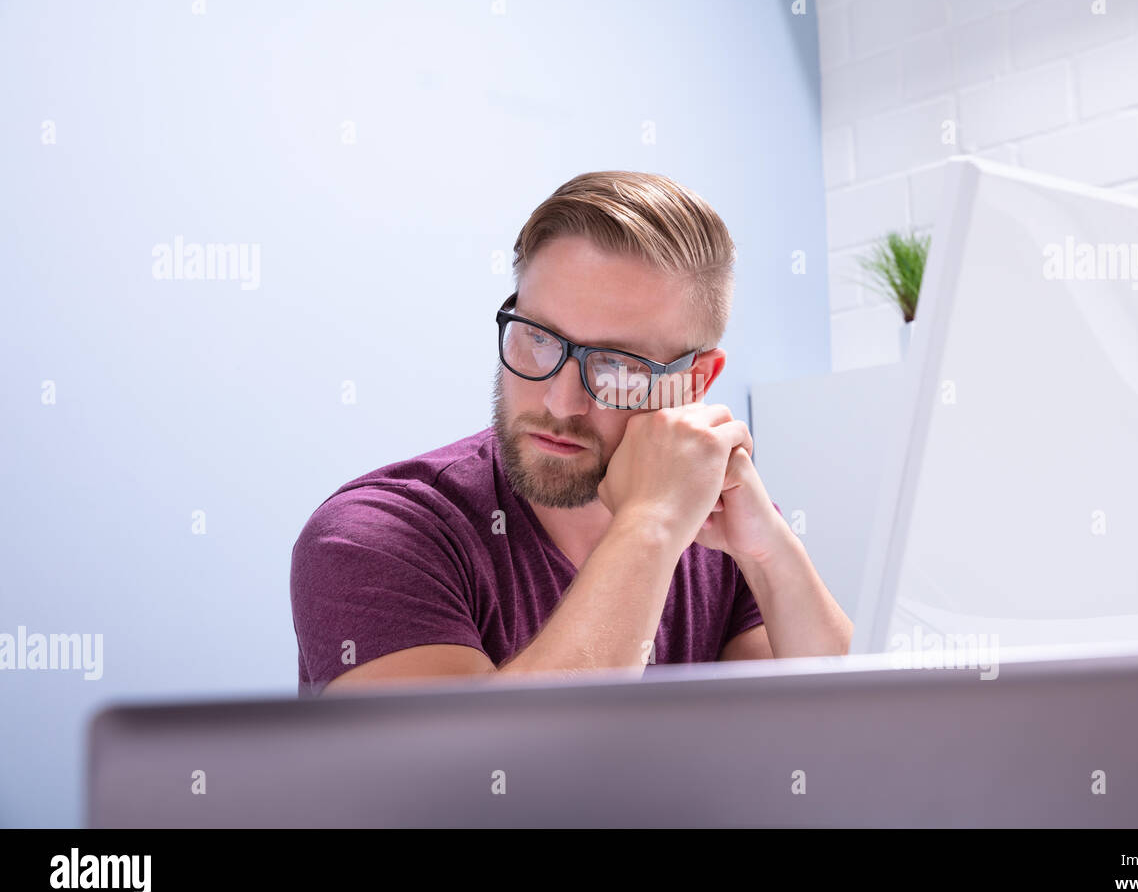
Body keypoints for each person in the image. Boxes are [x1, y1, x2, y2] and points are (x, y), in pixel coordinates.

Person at [290, 170, 851, 697]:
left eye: (617, 365)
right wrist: (650, 526)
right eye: (538, 337)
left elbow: (838, 737)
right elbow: (477, 778)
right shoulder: (373, 536)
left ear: (694, 382)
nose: (561, 401)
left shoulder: (712, 525)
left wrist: (771, 550)